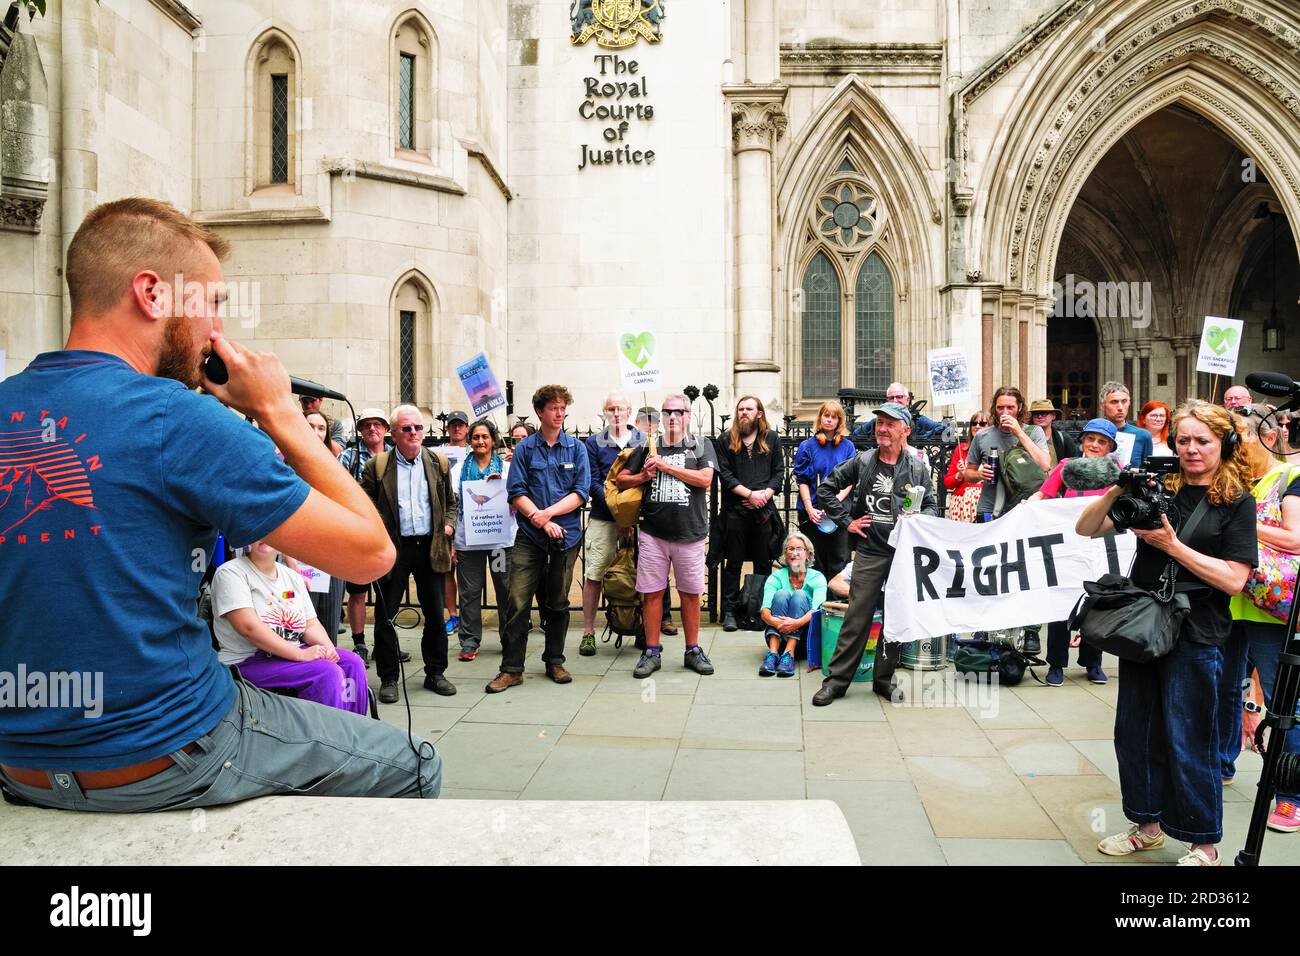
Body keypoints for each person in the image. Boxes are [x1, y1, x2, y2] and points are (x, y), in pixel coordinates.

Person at [0, 197, 439, 811]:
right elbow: (369, 555)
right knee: (414, 765)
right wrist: (277, 412)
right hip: (173, 748)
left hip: (21, 764)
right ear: (153, 295)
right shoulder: (179, 418)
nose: (218, 333)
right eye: (211, 304)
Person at [1079, 401, 1257, 866]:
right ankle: (1147, 826)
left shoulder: (1237, 501)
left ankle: (1204, 845)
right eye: (1184, 441)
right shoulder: (1159, 488)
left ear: (1225, 445)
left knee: (1188, 735)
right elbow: (1086, 528)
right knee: (1134, 732)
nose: (1192, 450)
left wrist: (1172, 546)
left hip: (1196, 630)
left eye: (1203, 441)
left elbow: (1235, 579)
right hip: (1143, 626)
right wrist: (1120, 487)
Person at [812, 403, 937, 706]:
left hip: (901, 554)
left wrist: (918, 520)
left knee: (895, 618)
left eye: (889, 424)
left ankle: (884, 680)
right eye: (879, 422)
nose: (881, 428)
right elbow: (826, 490)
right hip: (869, 551)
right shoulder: (863, 461)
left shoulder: (918, 469)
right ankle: (837, 682)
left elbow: (932, 506)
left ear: (905, 430)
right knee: (857, 618)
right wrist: (847, 521)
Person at [1216, 404, 1300, 831]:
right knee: (1223, 688)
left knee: (1286, 701)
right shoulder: (1230, 479)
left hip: (1272, 609)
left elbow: (1295, 539)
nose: (1235, 451)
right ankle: (1221, 763)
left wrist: (1240, 519)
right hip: (1230, 601)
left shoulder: (1289, 478)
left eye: (1240, 440)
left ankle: (1291, 795)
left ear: (1264, 437)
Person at [488, 385, 591, 693]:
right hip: (530, 537)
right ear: (540, 412)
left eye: (563, 408)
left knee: (557, 602)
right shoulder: (525, 449)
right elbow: (516, 492)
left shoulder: (576, 449)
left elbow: (580, 493)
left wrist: (547, 514)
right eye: (554, 408)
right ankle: (511, 669)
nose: (559, 414)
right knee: (517, 601)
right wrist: (540, 520)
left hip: (566, 536)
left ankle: (555, 661)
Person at [361, 405, 458, 703]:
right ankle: (388, 677)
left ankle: (435, 672)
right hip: (394, 549)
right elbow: (364, 508)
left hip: (430, 547)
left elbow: (451, 504)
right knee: (385, 616)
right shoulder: (377, 467)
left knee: (434, 613)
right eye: (406, 428)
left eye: (418, 427)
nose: (414, 433)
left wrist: (449, 525)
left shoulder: (438, 462)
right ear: (394, 433)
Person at [617, 393, 717, 679]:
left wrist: (665, 466)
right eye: (667, 412)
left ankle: (693, 650)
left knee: (690, 593)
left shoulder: (701, 446)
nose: (672, 417)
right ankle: (651, 651)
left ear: (688, 415)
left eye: (678, 412)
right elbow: (621, 479)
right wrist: (643, 476)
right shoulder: (648, 446)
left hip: (690, 533)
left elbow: (705, 480)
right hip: (653, 533)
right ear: (661, 416)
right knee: (652, 593)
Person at [212, 540, 369, 716]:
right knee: (326, 673)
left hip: (290, 654)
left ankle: (352, 733)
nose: (265, 536)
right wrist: (300, 655)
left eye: (272, 531)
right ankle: (325, 739)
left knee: (352, 663)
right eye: (259, 531)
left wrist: (329, 649)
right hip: (249, 660)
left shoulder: (292, 576)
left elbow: (310, 624)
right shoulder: (230, 573)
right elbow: (248, 627)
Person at [1027, 417, 1120, 686]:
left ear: (1109, 447)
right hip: (1067, 545)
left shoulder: (1117, 470)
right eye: (1090, 439)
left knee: (1097, 602)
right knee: (1062, 603)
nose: (1094, 445)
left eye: (1102, 442)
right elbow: (1043, 495)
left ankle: (1093, 662)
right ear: (1082, 441)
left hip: (1101, 546)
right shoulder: (1066, 467)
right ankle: (1056, 663)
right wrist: (1026, 508)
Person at [713, 395, 786, 631]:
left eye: (749, 409)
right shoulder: (726, 440)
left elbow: (778, 473)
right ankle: (730, 612)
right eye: (741, 409)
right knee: (733, 562)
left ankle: (759, 611)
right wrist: (749, 495)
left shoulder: (771, 438)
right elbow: (724, 475)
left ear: (759, 414)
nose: (744, 412)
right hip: (735, 512)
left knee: (762, 562)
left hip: (763, 511)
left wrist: (764, 495)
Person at [579, 392, 644, 655]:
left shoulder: (642, 440)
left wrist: (629, 516)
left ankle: (641, 629)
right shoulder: (593, 443)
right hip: (603, 518)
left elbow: (645, 478)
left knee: (642, 575)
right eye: (611, 409)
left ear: (630, 412)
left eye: (621, 409)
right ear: (604, 413)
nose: (616, 413)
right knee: (594, 574)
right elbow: (593, 482)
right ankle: (588, 632)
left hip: (638, 520)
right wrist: (619, 514)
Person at [454, 419, 515, 661]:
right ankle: (469, 641)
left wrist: (502, 487)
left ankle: (509, 638)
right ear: (470, 440)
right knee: (469, 592)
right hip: (469, 543)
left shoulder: (508, 469)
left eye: (485, 437)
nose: (481, 441)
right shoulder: (458, 470)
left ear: (493, 440)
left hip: (500, 542)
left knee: (505, 589)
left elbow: (518, 501)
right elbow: (452, 504)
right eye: (476, 437)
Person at [338, 407, 392, 665]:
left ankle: (386, 643)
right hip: (357, 533)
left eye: (378, 424)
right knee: (358, 591)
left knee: (388, 592)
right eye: (367, 424)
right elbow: (336, 487)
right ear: (360, 429)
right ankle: (359, 643)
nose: (372, 428)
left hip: (388, 534)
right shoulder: (349, 456)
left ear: (385, 428)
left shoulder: (395, 456)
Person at [964, 386, 1051, 522]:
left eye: (1010, 407)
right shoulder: (982, 435)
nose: (1005, 412)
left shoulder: (1034, 432)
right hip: (990, 508)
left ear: (1020, 407)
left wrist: (1018, 432)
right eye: (1000, 408)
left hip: (1024, 507)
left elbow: (1045, 464)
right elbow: (968, 474)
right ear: (994, 408)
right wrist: (979, 474)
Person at [792, 400, 856, 577]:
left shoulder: (848, 447)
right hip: (813, 511)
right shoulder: (807, 446)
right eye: (826, 415)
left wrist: (833, 503)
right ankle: (817, 601)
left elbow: (850, 480)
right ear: (820, 418)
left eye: (833, 417)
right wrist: (809, 508)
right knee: (814, 559)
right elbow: (803, 480)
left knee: (839, 558)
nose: (829, 420)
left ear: (839, 421)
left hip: (838, 510)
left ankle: (836, 601)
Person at [758, 532, 827, 677]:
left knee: (800, 594)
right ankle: (773, 654)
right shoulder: (776, 577)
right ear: (785, 554)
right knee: (781, 594)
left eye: (799, 549)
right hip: (777, 635)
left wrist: (796, 623)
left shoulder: (817, 578)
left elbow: (817, 611)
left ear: (808, 554)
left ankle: (789, 655)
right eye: (790, 549)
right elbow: (764, 611)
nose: (794, 553)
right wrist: (776, 622)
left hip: (804, 640)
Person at [634, 405, 677, 634]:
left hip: (656, 517)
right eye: (646, 422)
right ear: (638, 422)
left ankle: (665, 616)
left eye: (654, 423)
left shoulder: (661, 446)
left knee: (659, 573)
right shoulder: (636, 445)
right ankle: (632, 617)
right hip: (631, 513)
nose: (650, 427)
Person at [441, 409, 471, 639]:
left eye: (461, 425)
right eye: (453, 425)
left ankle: (470, 616)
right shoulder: (440, 454)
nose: (457, 429)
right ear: (447, 428)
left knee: (469, 572)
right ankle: (453, 615)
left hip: (472, 519)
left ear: (467, 428)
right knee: (447, 570)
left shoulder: (476, 450)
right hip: (447, 516)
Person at [852, 382, 943, 439]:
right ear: (887, 401)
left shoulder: (918, 420)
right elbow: (856, 435)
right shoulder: (876, 422)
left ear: (907, 400)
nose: (895, 400)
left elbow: (941, 428)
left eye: (899, 397)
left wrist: (922, 438)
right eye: (891, 398)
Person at [943, 412, 990, 522]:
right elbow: (948, 484)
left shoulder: (995, 449)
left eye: (982, 423)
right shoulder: (961, 450)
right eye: (974, 423)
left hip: (986, 504)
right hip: (962, 505)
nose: (977, 426)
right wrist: (959, 474)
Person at [1099, 381, 1153, 467]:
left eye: (1124, 401)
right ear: (1102, 406)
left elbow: (1148, 471)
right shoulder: (1094, 434)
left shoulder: (1143, 435)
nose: (1120, 407)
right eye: (1114, 402)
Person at [1029, 398, 1077, 470]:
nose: (1040, 416)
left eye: (1044, 413)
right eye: (1036, 414)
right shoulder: (1026, 439)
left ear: (1053, 416)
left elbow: (1073, 466)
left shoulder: (1064, 439)